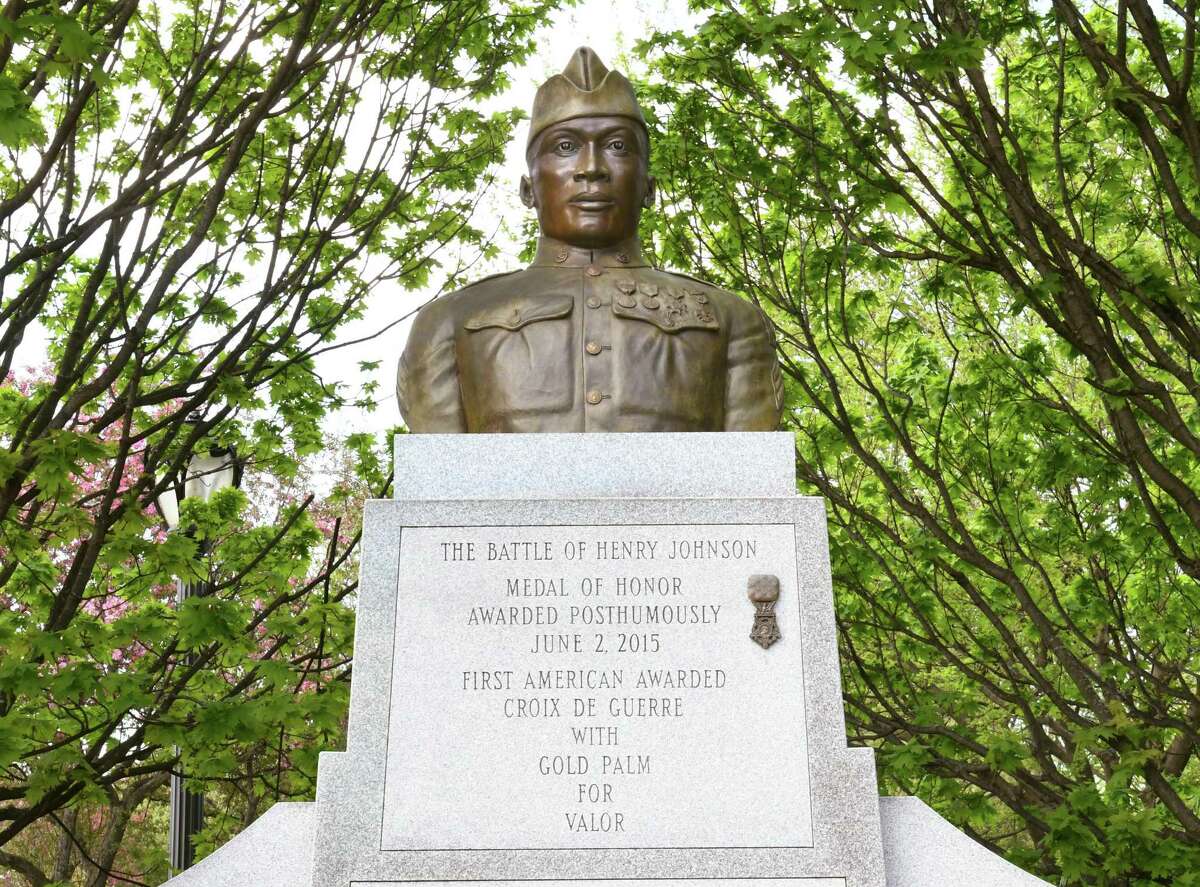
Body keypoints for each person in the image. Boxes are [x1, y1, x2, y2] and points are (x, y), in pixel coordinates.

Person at [396, 47, 783, 433]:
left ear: (649, 189)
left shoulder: (733, 321)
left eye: (617, 146)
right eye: (565, 147)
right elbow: (439, 477)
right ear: (528, 190)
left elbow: (749, 474)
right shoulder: (448, 323)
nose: (592, 169)